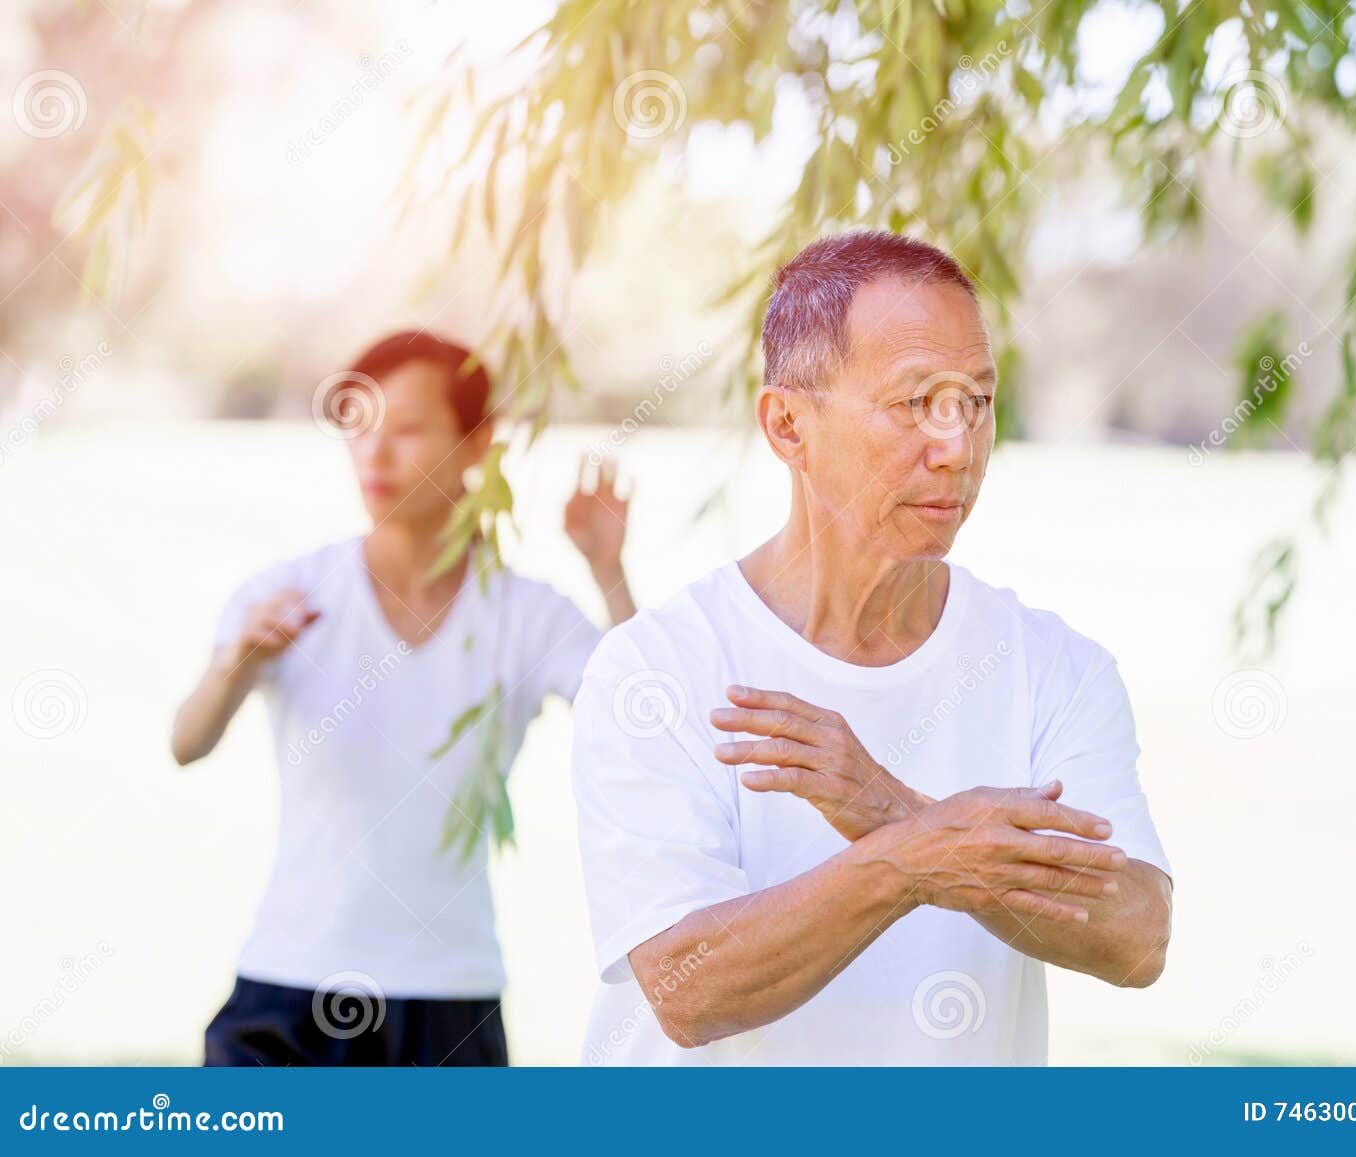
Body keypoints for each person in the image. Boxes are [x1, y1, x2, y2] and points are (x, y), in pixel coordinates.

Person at [571, 232, 1172, 1065]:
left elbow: (1138, 937)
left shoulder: (1054, 667)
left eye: (977, 401)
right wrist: (906, 863)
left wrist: (891, 814)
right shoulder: (659, 667)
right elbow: (687, 989)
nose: (957, 447)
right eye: (915, 401)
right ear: (788, 425)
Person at [172, 330, 634, 1066]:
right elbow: (186, 744)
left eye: (409, 431)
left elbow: (640, 727)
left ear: (479, 444)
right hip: (285, 991)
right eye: (360, 432)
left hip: (446, 1001)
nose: (374, 458)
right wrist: (236, 665)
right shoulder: (289, 594)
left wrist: (608, 568)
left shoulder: (524, 614)